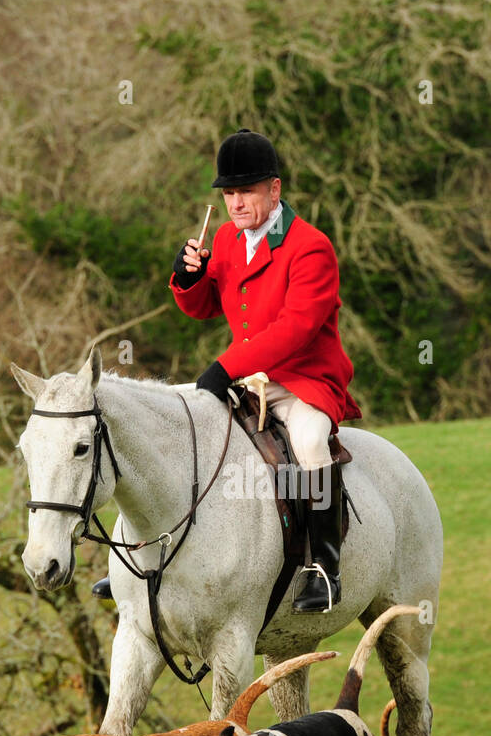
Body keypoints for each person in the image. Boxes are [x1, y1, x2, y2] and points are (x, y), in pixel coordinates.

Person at [91, 128, 359, 613]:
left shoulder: (311, 246)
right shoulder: (228, 239)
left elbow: (295, 328)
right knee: (164, 423)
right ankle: (137, 559)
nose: (236, 202)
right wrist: (187, 279)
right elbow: (207, 306)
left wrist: (226, 366)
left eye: (246, 191)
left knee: (312, 444)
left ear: (274, 190)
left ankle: (325, 567)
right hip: (249, 378)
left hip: (303, 381)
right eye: (229, 193)